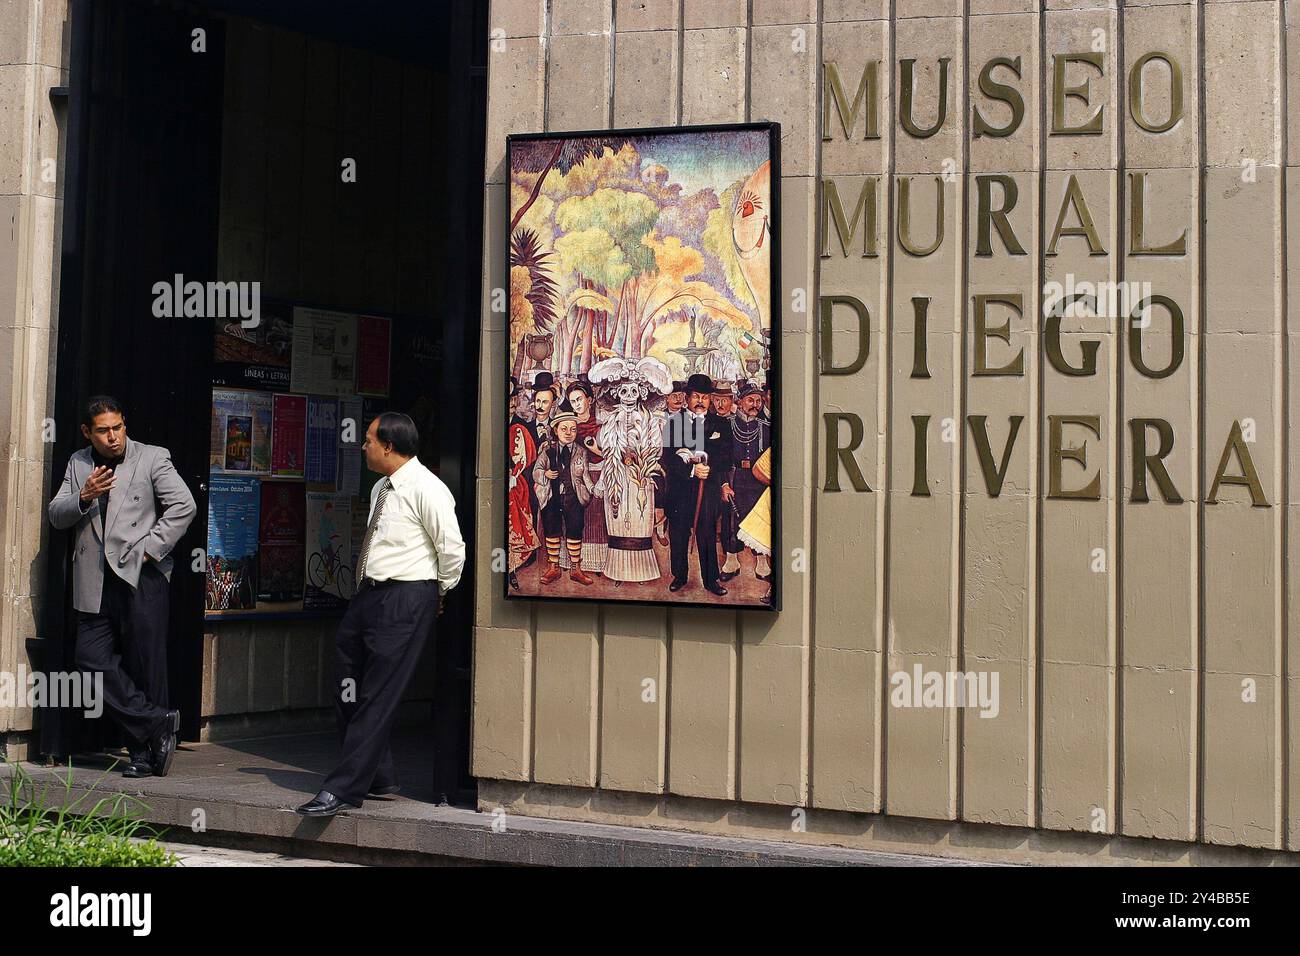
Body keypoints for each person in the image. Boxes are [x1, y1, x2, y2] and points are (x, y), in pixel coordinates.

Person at [297, 412, 465, 817]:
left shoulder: (429, 488)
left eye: (369, 440)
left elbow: (452, 549)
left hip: (407, 596)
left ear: (388, 446)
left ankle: (342, 789)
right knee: (345, 682)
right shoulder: (381, 488)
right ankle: (378, 775)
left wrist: (437, 592)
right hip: (369, 593)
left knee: (377, 694)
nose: (363, 445)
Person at [47, 395, 195, 778]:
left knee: (146, 666)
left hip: (139, 576)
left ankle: (145, 755)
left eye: (118, 427)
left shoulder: (151, 457)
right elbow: (55, 514)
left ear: (124, 424)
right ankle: (156, 722)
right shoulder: (78, 464)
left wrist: (150, 549)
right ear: (87, 432)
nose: (113, 437)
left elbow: (183, 505)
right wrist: (83, 496)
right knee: (90, 661)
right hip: (94, 581)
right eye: (103, 431)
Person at [588, 356, 672, 584]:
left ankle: (641, 572)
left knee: (638, 521)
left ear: (641, 394)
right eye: (624, 392)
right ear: (617, 394)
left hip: (640, 478)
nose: (628, 397)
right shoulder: (611, 419)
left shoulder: (650, 419)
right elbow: (604, 445)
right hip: (616, 475)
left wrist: (638, 456)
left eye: (633, 392)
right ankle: (618, 571)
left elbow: (656, 447)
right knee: (616, 520)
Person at [658, 373, 734, 596]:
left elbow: (726, 457)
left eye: (705, 397)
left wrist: (708, 467)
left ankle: (711, 580)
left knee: (707, 535)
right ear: (687, 397)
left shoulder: (720, 424)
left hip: (708, 490)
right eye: (696, 396)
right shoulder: (674, 423)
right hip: (680, 491)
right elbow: (668, 459)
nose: (701, 401)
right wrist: (691, 469)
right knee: (679, 535)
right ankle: (679, 576)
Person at [532, 407, 594, 586]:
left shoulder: (581, 451)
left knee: (575, 530)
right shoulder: (548, 450)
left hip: (573, 496)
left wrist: (592, 490)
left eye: (573, 429)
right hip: (552, 496)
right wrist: (545, 475)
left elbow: (585, 475)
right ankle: (554, 567)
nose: (568, 433)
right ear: (556, 430)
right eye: (564, 429)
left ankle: (576, 569)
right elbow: (536, 471)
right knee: (552, 530)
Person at [720, 381, 772, 583]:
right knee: (731, 521)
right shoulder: (727, 425)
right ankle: (731, 562)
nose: (755, 404)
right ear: (740, 401)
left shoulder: (766, 427)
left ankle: (762, 563)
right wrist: (724, 484)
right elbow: (721, 458)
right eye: (750, 400)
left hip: (758, 479)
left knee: (758, 519)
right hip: (735, 477)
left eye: (759, 400)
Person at [565, 380, 608, 576]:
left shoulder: (601, 423)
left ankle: (597, 563)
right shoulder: (568, 425)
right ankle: (574, 562)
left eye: (580, 399)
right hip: (576, 477)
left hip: (599, 473)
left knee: (596, 519)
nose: (577, 405)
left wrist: (595, 449)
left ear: (589, 400)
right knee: (575, 518)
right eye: (573, 401)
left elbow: (610, 454)